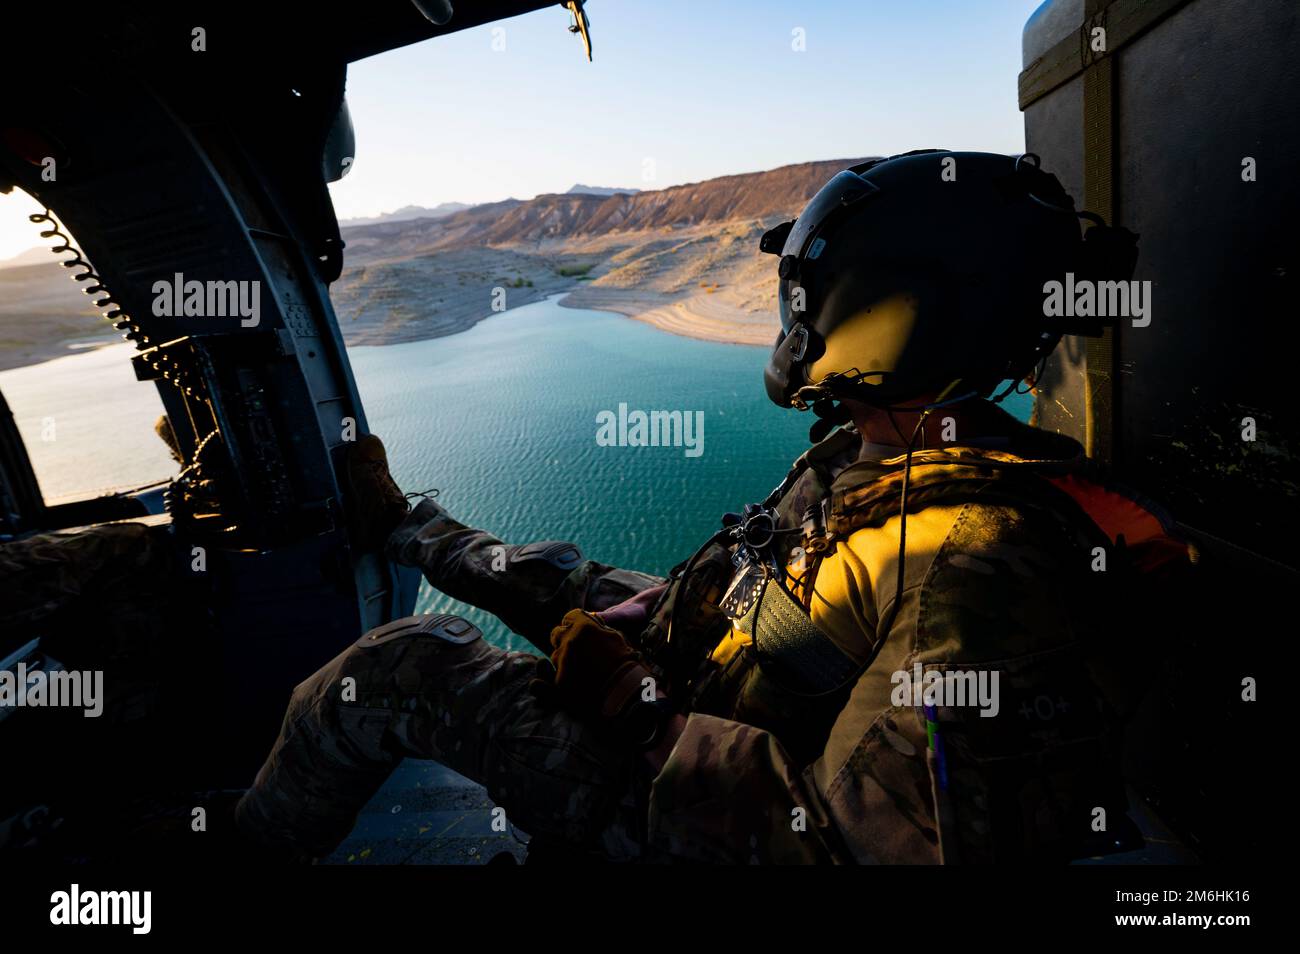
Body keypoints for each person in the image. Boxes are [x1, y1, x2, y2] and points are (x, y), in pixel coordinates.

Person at [235, 151, 1191, 864]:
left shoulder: (982, 565)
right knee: (572, 579)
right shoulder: (903, 451)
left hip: (687, 809)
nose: (795, 317)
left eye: (812, 294)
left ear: (894, 317)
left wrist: (632, 706)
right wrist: (652, 626)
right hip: (727, 681)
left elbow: (852, 846)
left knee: (399, 663)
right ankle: (412, 526)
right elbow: (780, 589)